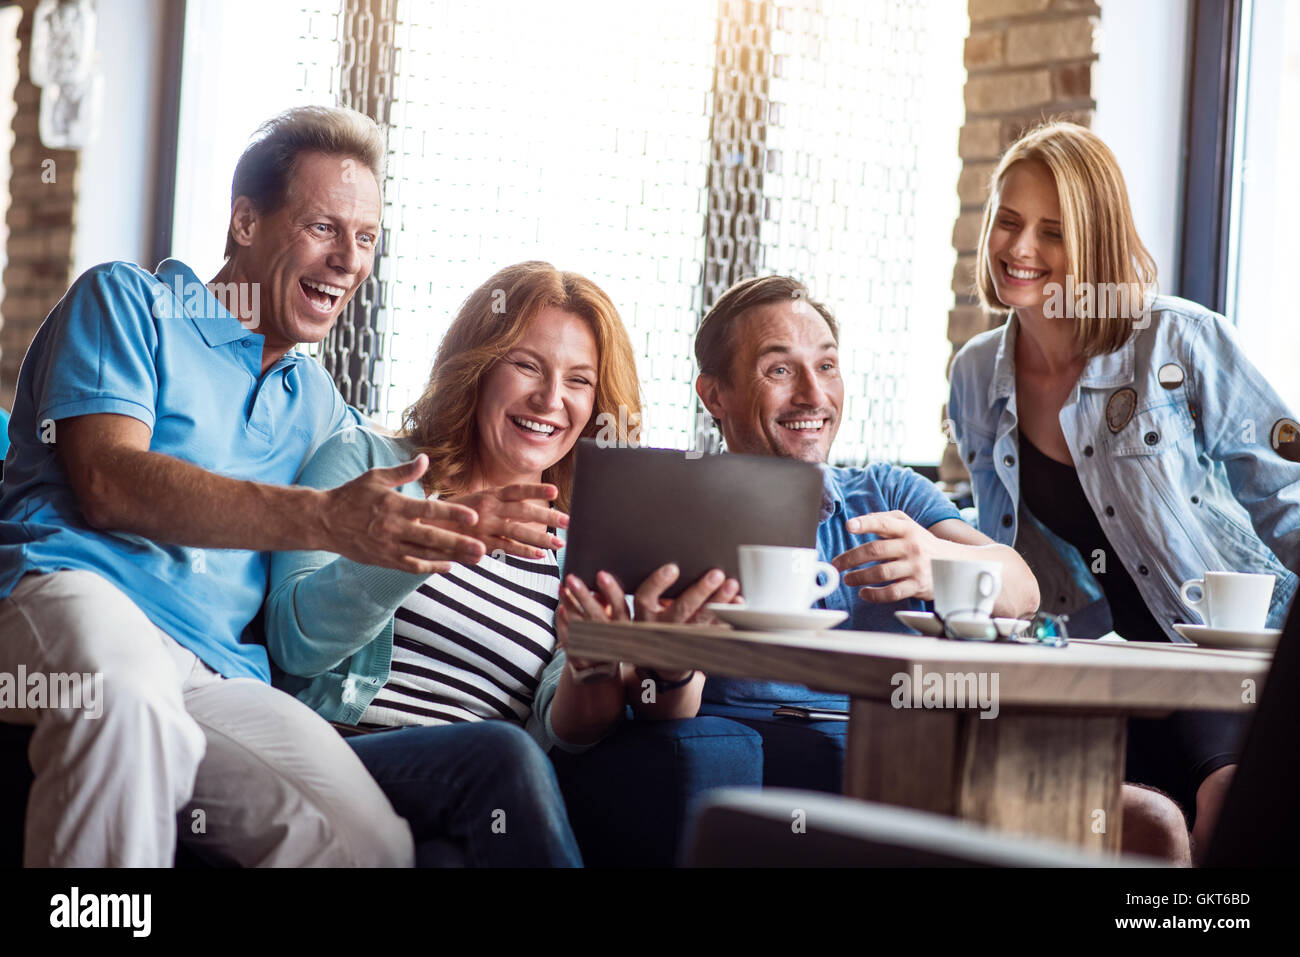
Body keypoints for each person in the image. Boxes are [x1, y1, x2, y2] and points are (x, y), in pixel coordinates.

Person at [0, 106, 491, 866]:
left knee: (370, 843)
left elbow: (402, 479)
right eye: (324, 227)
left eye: (365, 239)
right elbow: (109, 481)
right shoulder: (130, 303)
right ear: (245, 221)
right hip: (66, 593)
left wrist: (476, 502)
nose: (348, 260)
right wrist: (324, 518)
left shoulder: (319, 402)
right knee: (129, 703)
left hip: (215, 666)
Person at [265, 261, 736, 865]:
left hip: (479, 800)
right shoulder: (369, 464)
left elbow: (564, 731)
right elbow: (294, 642)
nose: (550, 399)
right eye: (526, 365)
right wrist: (440, 533)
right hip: (346, 753)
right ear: (477, 366)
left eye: (579, 381)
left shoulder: (581, 547)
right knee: (506, 755)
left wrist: (591, 668)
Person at [947, 121, 1300, 863]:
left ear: (1096, 243)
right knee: (1108, 824)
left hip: (1215, 666)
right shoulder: (978, 373)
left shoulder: (1178, 340)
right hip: (1092, 669)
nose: (1020, 249)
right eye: (1008, 222)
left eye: (1053, 231)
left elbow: (1287, 496)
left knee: (1226, 811)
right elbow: (999, 546)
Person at [562, 274, 1040, 793]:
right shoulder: (673, 515)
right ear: (714, 394)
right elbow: (655, 708)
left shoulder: (889, 492)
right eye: (781, 369)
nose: (813, 395)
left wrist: (940, 559)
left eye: (827, 366)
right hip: (770, 757)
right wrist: (671, 667)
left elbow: (1022, 592)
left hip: (911, 752)